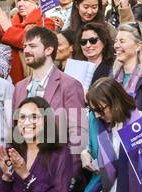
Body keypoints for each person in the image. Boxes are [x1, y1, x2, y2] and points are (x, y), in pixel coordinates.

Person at [12, 26, 87, 155]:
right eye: (25, 47)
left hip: (56, 166)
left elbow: (78, 134)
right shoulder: (19, 87)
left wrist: (68, 171)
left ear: (49, 50)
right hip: (24, 165)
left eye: (32, 46)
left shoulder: (70, 85)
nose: (26, 51)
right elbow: (14, 129)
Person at [0, 0, 57, 84]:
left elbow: (36, 42)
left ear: (37, 4)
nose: (20, 4)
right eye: (18, 0)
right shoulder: (10, 24)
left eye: (25, 0)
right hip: (9, 81)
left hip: (35, 79)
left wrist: (8, 30)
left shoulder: (47, 22)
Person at [110, 22, 142, 115]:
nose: (116, 46)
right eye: (116, 41)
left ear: (138, 46)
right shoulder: (112, 77)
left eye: (122, 41)